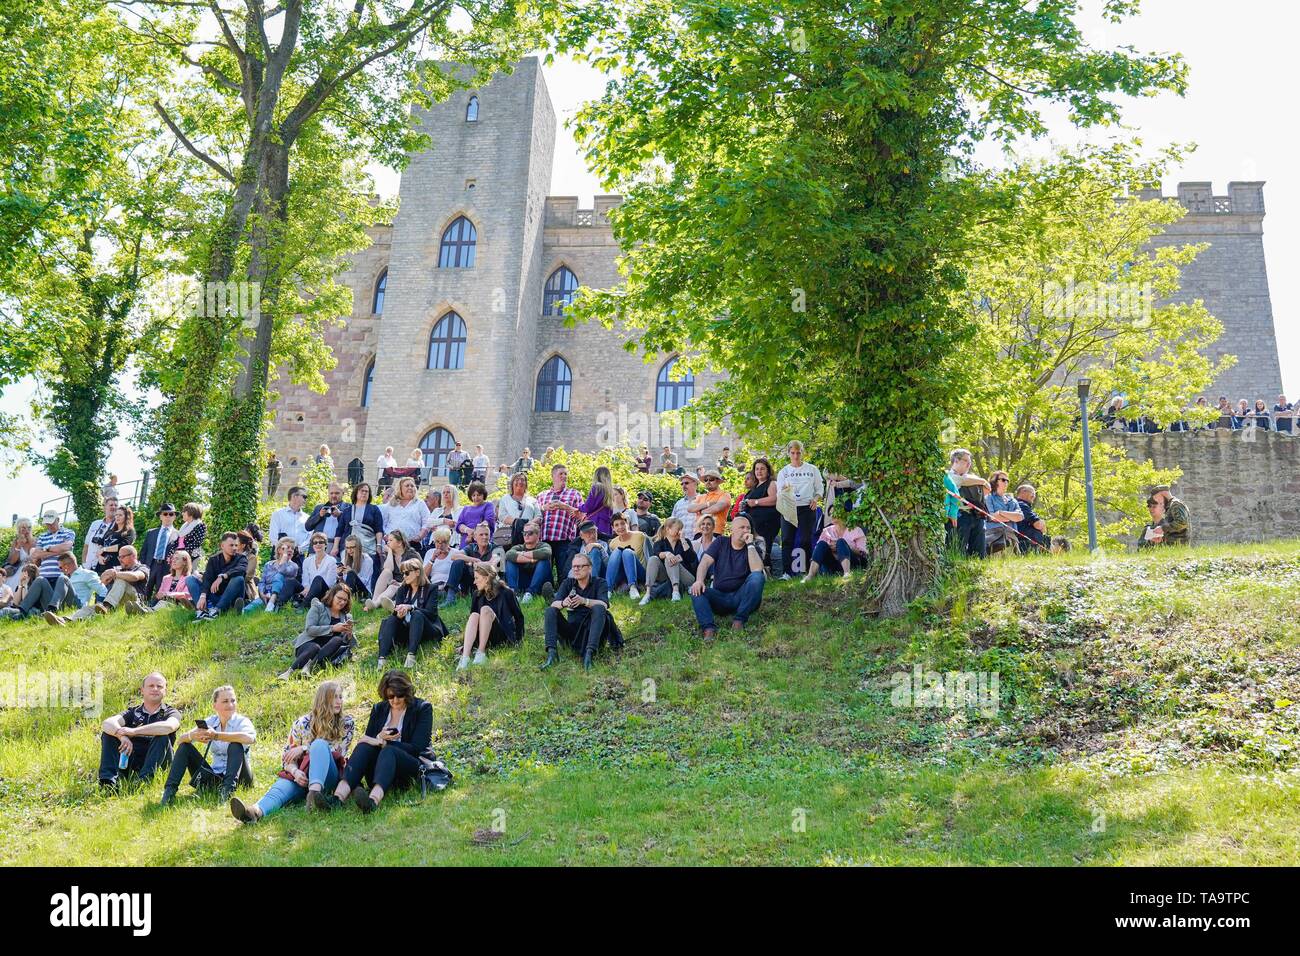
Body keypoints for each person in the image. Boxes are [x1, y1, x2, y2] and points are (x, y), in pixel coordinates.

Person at [230, 681, 355, 823]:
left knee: (319, 745)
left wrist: (304, 748)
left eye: (340, 697)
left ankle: (313, 795)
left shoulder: (346, 723)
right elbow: (287, 759)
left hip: (328, 776)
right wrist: (295, 773)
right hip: (302, 775)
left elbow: (339, 752)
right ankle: (253, 812)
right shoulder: (302, 723)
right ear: (323, 699)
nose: (339, 701)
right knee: (280, 789)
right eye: (334, 697)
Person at [324, 671, 433, 813]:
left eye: (399, 695)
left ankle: (373, 801)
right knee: (364, 747)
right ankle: (337, 798)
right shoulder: (379, 709)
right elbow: (368, 740)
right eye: (390, 696)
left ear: (407, 692)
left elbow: (418, 748)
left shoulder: (422, 708)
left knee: (389, 750)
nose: (395, 700)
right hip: (379, 771)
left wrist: (384, 743)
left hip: (408, 768)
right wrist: (379, 737)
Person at [159, 684, 256, 806]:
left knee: (235, 745)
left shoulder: (242, 721)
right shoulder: (211, 721)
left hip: (241, 778)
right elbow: (180, 741)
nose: (230, 705)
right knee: (184, 747)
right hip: (215, 776)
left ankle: (226, 794)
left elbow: (250, 738)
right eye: (225, 701)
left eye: (233, 700)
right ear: (214, 705)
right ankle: (169, 793)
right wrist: (192, 736)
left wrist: (216, 735)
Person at [541, 550, 624, 671]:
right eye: (574, 566)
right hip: (572, 633)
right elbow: (555, 603)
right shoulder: (568, 583)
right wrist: (564, 603)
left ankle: (589, 654)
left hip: (592, 633)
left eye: (580, 566)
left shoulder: (600, 583)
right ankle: (552, 654)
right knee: (550, 610)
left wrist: (584, 601)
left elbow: (604, 604)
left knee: (599, 608)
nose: (576, 569)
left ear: (589, 568)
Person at [98, 672, 180, 791]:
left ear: (165, 691)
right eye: (151, 686)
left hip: (159, 760)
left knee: (162, 736)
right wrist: (122, 737)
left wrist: (134, 731)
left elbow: (168, 727)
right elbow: (107, 723)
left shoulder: (171, 712)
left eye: (159, 686)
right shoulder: (133, 712)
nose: (155, 689)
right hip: (132, 758)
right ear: (142, 690)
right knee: (108, 734)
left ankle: (143, 783)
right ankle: (108, 783)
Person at [690, 514, 765, 638]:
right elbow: (704, 562)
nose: (746, 531)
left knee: (757, 577)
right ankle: (708, 628)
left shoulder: (752, 548)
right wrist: (699, 580)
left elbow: (757, 570)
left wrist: (750, 545)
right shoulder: (721, 542)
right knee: (695, 589)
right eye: (742, 527)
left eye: (748, 528)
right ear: (732, 530)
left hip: (742, 597)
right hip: (720, 597)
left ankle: (739, 620)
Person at [377, 560, 448, 669]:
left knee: (417, 614)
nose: (404, 576)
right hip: (407, 629)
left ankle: (411, 656)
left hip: (427, 628)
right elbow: (397, 612)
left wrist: (412, 607)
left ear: (417, 572)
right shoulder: (402, 589)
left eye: (407, 573)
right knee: (391, 619)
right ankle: (382, 659)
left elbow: (432, 614)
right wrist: (399, 614)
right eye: (402, 573)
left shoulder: (431, 588)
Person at [48, 545, 148, 622]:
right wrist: (105, 577)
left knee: (121, 581)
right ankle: (65, 620)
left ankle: (107, 607)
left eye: (123, 557)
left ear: (133, 556)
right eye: (119, 557)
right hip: (117, 602)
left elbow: (135, 576)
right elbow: (102, 581)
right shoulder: (118, 569)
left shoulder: (142, 567)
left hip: (134, 601)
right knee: (89, 609)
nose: (120, 559)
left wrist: (116, 574)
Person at [456, 564, 524, 670]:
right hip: (483, 636)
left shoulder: (507, 593)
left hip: (501, 635)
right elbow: (473, 624)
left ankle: (481, 653)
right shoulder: (476, 595)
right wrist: (464, 644)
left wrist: (519, 640)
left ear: (487, 578)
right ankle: (465, 657)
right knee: (474, 615)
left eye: (477, 578)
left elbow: (519, 617)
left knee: (485, 610)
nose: (474, 582)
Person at [281, 584, 356, 678]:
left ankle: (309, 666)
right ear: (332, 595)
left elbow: (352, 645)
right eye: (339, 598)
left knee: (337, 640)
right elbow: (309, 629)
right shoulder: (318, 607)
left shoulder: (347, 617)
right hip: (308, 645)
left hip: (328, 651)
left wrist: (349, 635)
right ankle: (289, 672)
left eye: (345, 600)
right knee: (315, 647)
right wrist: (332, 628)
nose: (342, 602)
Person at [774, 440, 824, 579]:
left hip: (807, 508)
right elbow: (779, 492)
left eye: (798, 452)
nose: (796, 456)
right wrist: (784, 491)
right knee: (787, 539)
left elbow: (820, 488)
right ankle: (787, 573)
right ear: (789, 453)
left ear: (802, 452)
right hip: (789, 508)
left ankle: (806, 571)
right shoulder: (784, 472)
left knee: (806, 540)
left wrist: (816, 499)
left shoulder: (812, 469)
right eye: (793, 453)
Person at [536, 463, 584, 585]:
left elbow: (582, 516)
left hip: (564, 539)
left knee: (564, 571)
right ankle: (546, 592)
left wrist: (564, 507)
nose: (564, 476)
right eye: (560, 474)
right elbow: (534, 516)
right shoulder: (542, 495)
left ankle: (562, 593)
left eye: (565, 474)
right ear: (553, 476)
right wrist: (543, 508)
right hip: (544, 540)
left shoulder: (574, 494)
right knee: (544, 571)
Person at [188, 532, 248, 619]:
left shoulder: (241, 558)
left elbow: (241, 569)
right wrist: (203, 596)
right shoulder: (213, 560)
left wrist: (223, 576)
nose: (234, 548)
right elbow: (207, 578)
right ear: (222, 546)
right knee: (190, 579)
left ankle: (217, 611)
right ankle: (202, 610)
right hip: (216, 596)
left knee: (238, 579)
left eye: (236, 545)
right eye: (231, 545)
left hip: (232, 598)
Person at [640, 517, 698, 605]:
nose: (680, 532)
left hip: (686, 577)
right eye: (678, 529)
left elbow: (692, 559)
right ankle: (647, 593)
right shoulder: (659, 543)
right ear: (668, 529)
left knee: (671, 559)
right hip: (666, 575)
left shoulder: (685, 542)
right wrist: (667, 553)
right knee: (654, 559)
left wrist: (683, 540)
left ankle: (675, 592)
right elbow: (657, 554)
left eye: (681, 529)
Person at [445, 522, 503, 606]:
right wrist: (474, 560)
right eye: (481, 535)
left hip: (489, 584)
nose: (484, 537)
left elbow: (492, 565)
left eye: (486, 534)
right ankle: (450, 599)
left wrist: (475, 564)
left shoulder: (497, 548)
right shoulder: (471, 547)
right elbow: (454, 556)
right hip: (472, 582)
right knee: (458, 562)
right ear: (475, 537)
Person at [802, 506, 868, 580]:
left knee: (841, 542)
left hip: (852, 563)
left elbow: (863, 553)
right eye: (830, 514)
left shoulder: (856, 530)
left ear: (844, 514)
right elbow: (818, 550)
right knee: (822, 543)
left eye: (835, 513)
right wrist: (831, 548)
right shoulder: (827, 531)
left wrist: (846, 546)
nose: (832, 516)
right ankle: (810, 575)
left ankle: (847, 573)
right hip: (832, 564)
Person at [947, 449, 989, 559]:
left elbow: (987, 489)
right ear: (956, 460)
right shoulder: (948, 475)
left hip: (976, 516)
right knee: (957, 550)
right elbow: (959, 481)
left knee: (979, 553)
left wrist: (980, 481)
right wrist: (981, 481)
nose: (969, 464)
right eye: (966, 461)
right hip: (958, 516)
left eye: (970, 462)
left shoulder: (973, 477)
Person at [365, 529, 420, 612]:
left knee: (393, 587)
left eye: (391, 540)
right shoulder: (390, 555)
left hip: (409, 584)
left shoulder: (411, 555)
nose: (388, 542)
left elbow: (416, 576)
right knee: (386, 572)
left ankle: (378, 604)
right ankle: (374, 601)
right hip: (395, 584)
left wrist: (400, 583)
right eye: (388, 540)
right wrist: (390, 552)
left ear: (399, 543)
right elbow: (388, 569)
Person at [32, 510, 76, 607]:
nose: (49, 525)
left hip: (61, 575)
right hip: (45, 577)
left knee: (58, 603)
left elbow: (67, 547)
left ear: (58, 520)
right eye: (47, 523)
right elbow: (36, 554)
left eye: (51, 522)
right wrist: (59, 550)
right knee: (47, 603)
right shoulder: (42, 536)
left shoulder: (68, 532)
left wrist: (47, 549)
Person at [504, 522, 553, 604]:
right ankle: (514, 593)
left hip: (540, 583)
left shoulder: (544, 545)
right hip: (524, 581)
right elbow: (509, 554)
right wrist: (530, 560)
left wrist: (522, 554)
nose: (526, 535)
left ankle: (530, 593)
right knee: (510, 561)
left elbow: (546, 552)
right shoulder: (519, 547)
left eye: (530, 533)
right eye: (524, 533)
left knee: (543, 561)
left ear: (537, 535)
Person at [140, 503, 180, 601]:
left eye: (171, 514)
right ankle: (139, 610)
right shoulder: (151, 532)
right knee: (145, 591)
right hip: (151, 564)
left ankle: (154, 611)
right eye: (165, 514)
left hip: (166, 567)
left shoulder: (178, 535)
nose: (168, 516)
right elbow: (144, 551)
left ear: (174, 517)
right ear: (160, 516)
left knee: (161, 594)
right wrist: (142, 566)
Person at [338, 481, 384, 562]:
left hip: (368, 547)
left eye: (366, 491)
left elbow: (379, 529)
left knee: (368, 569)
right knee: (348, 570)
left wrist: (379, 545)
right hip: (348, 547)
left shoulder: (374, 509)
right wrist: (335, 547)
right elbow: (339, 530)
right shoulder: (347, 511)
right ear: (356, 492)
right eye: (362, 490)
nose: (364, 493)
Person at [604, 513, 647, 599]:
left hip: (639, 573)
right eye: (616, 525)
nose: (620, 527)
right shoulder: (612, 543)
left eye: (622, 523)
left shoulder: (640, 536)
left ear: (627, 524)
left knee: (627, 552)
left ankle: (633, 587)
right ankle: (608, 590)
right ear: (613, 528)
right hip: (622, 575)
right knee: (617, 551)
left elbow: (650, 553)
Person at [381, 476, 431, 547]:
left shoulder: (420, 503)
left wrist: (420, 536)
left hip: (412, 543)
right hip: (392, 543)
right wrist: (385, 535)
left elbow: (427, 522)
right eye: (407, 486)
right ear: (400, 489)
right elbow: (383, 522)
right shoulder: (391, 503)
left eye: (412, 486)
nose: (410, 488)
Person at [983, 471, 1024, 556]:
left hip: (1012, 536)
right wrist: (1012, 517)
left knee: (1014, 566)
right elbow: (993, 517)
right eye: (1003, 480)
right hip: (994, 536)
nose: (1006, 482)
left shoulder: (1012, 499)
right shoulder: (988, 498)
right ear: (995, 481)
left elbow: (1020, 517)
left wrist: (1001, 513)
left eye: (1007, 480)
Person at [496, 473, 539, 549]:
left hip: (529, 535)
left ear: (526, 484)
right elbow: (502, 516)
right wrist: (517, 522)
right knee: (509, 557)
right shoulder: (505, 499)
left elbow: (539, 517)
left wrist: (527, 525)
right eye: (517, 480)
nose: (520, 482)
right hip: (508, 536)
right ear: (512, 483)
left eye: (522, 480)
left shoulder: (533, 500)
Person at [296, 532, 339, 607]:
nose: (318, 544)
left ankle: (304, 605)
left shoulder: (332, 561)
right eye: (315, 543)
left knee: (318, 578)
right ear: (312, 546)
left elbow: (330, 584)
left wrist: (311, 589)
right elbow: (305, 580)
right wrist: (308, 588)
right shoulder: (307, 561)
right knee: (290, 581)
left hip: (325, 592)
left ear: (326, 544)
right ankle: (278, 604)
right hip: (308, 591)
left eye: (321, 542)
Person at [305, 482, 347, 557]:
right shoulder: (319, 507)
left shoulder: (348, 508)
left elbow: (351, 527)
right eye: (331, 493)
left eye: (337, 493)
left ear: (343, 493)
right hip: (318, 545)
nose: (334, 495)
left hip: (337, 546)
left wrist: (340, 515)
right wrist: (319, 515)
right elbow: (308, 527)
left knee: (335, 568)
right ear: (328, 494)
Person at [93, 504, 136, 573]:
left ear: (126, 517)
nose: (117, 517)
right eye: (116, 515)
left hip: (116, 567)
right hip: (101, 565)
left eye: (120, 515)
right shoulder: (110, 531)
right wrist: (99, 556)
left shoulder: (130, 531)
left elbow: (123, 546)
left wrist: (104, 549)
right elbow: (101, 545)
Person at [269, 486, 311, 557]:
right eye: (304, 496)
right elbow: (273, 536)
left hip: (298, 555)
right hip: (280, 555)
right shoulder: (278, 514)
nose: (305, 499)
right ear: (295, 496)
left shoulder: (307, 517)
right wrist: (283, 550)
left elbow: (309, 537)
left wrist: (299, 549)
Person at [689, 467, 731, 535]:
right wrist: (709, 504)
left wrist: (700, 510)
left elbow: (716, 508)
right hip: (699, 533)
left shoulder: (725, 495)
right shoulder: (701, 496)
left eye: (711, 479)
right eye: (706, 480)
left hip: (715, 532)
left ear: (718, 481)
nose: (708, 482)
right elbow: (690, 508)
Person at [578, 466, 615, 539]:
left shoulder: (597, 487)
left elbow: (588, 507)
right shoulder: (610, 491)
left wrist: (579, 508)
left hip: (596, 523)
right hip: (606, 525)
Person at [455, 481, 496, 547]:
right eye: (473, 495)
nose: (476, 498)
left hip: (482, 541)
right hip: (466, 542)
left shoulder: (488, 505)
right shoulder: (466, 508)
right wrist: (468, 530)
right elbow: (459, 525)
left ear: (483, 495)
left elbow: (488, 520)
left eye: (478, 495)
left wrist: (474, 532)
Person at [422, 484, 461, 550]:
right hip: (434, 544)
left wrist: (438, 525)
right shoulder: (437, 510)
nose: (445, 494)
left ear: (454, 494)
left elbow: (456, 524)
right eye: (444, 492)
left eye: (448, 492)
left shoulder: (460, 510)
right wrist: (444, 521)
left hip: (451, 544)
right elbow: (428, 522)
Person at [83, 497, 118, 570]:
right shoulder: (95, 524)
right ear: (105, 507)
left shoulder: (118, 525)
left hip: (104, 566)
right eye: (111, 505)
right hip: (88, 566)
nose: (114, 507)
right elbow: (86, 545)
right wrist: (84, 563)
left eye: (116, 505)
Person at [338, 534, 375, 600]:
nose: (349, 550)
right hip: (349, 591)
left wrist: (352, 572)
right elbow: (344, 583)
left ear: (358, 547)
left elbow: (365, 582)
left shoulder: (367, 560)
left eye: (352, 547)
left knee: (351, 574)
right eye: (347, 548)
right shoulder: (345, 560)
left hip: (364, 593)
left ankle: (345, 599)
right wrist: (340, 576)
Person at [422, 527, 456, 596]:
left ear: (449, 541)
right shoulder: (430, 553)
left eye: (444, 542)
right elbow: (424, 575)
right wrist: (433, 559)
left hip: (448, 586)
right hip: (434, 584)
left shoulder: (455, 553)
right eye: (437, 542)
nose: (440, 545)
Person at [1014, 484, 1048, 553]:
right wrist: (1042, 522)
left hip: (1030, 544)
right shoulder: (1021, 505)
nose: (1034, 496)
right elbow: (1038, 525)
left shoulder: (1023, 506)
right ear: (1023, 492)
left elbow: (1044, 530)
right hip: (1026, 545)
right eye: (1032, 493)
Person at [671, 473, 700, 540]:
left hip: (698, 542)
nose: (683, 485)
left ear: (695, 484)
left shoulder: (702, 500)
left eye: (686, 483)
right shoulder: (678, 503)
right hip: (679, 542)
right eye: (682, 484)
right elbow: (672, 523)